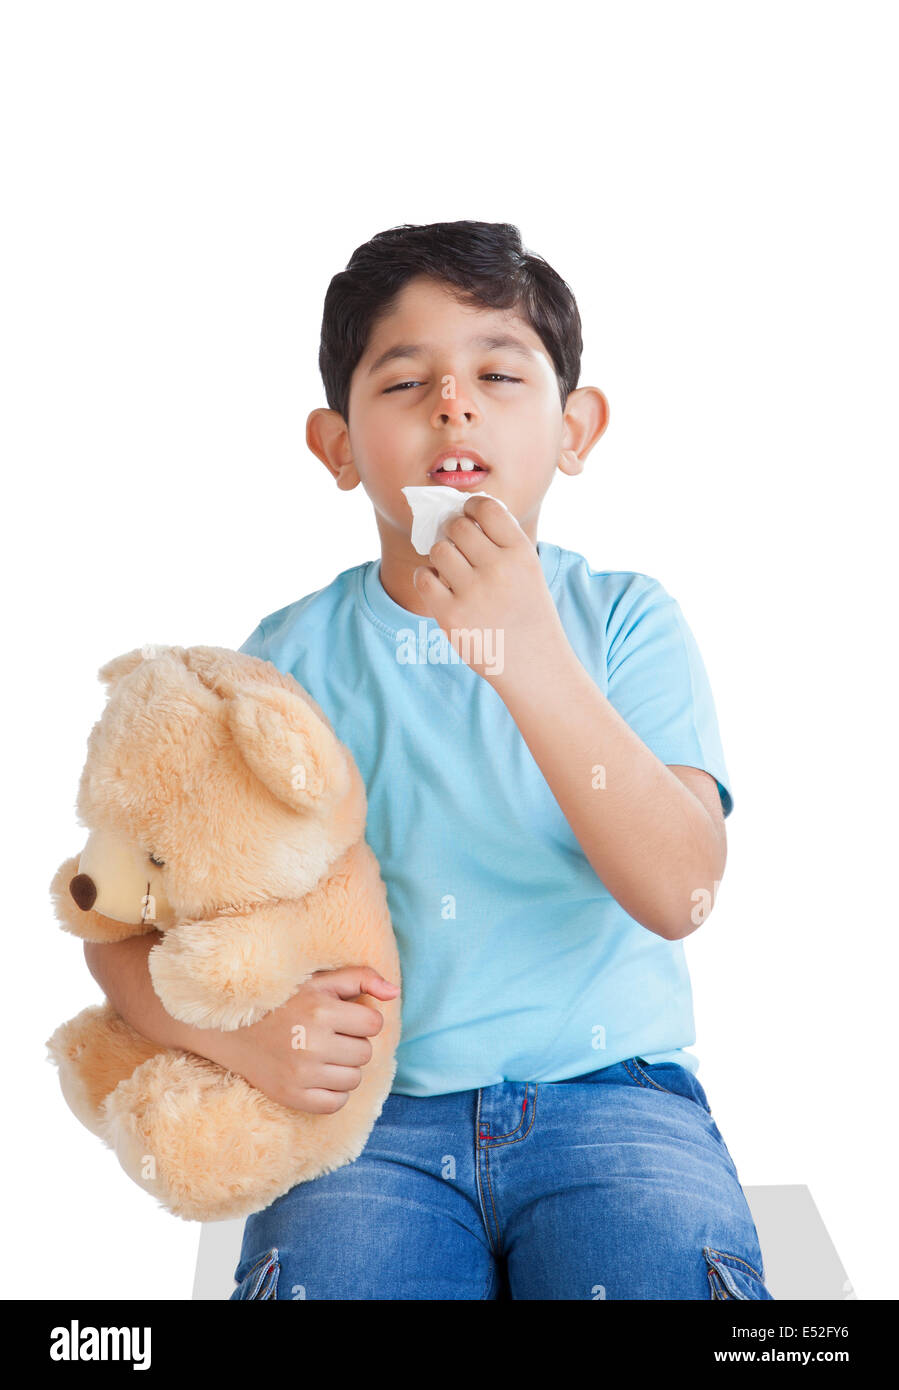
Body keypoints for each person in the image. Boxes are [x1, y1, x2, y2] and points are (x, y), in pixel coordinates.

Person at [85, 220, 773, 1301]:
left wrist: (527, 652)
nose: (455, 401)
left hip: (617, 1100)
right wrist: (251, 1041)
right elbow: (122, 929)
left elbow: (679, 890)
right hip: (368, 1123)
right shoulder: (279, 666)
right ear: (338, 447)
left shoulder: (626, 622)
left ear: (574, 429)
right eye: (406, 382)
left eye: (498, 372)